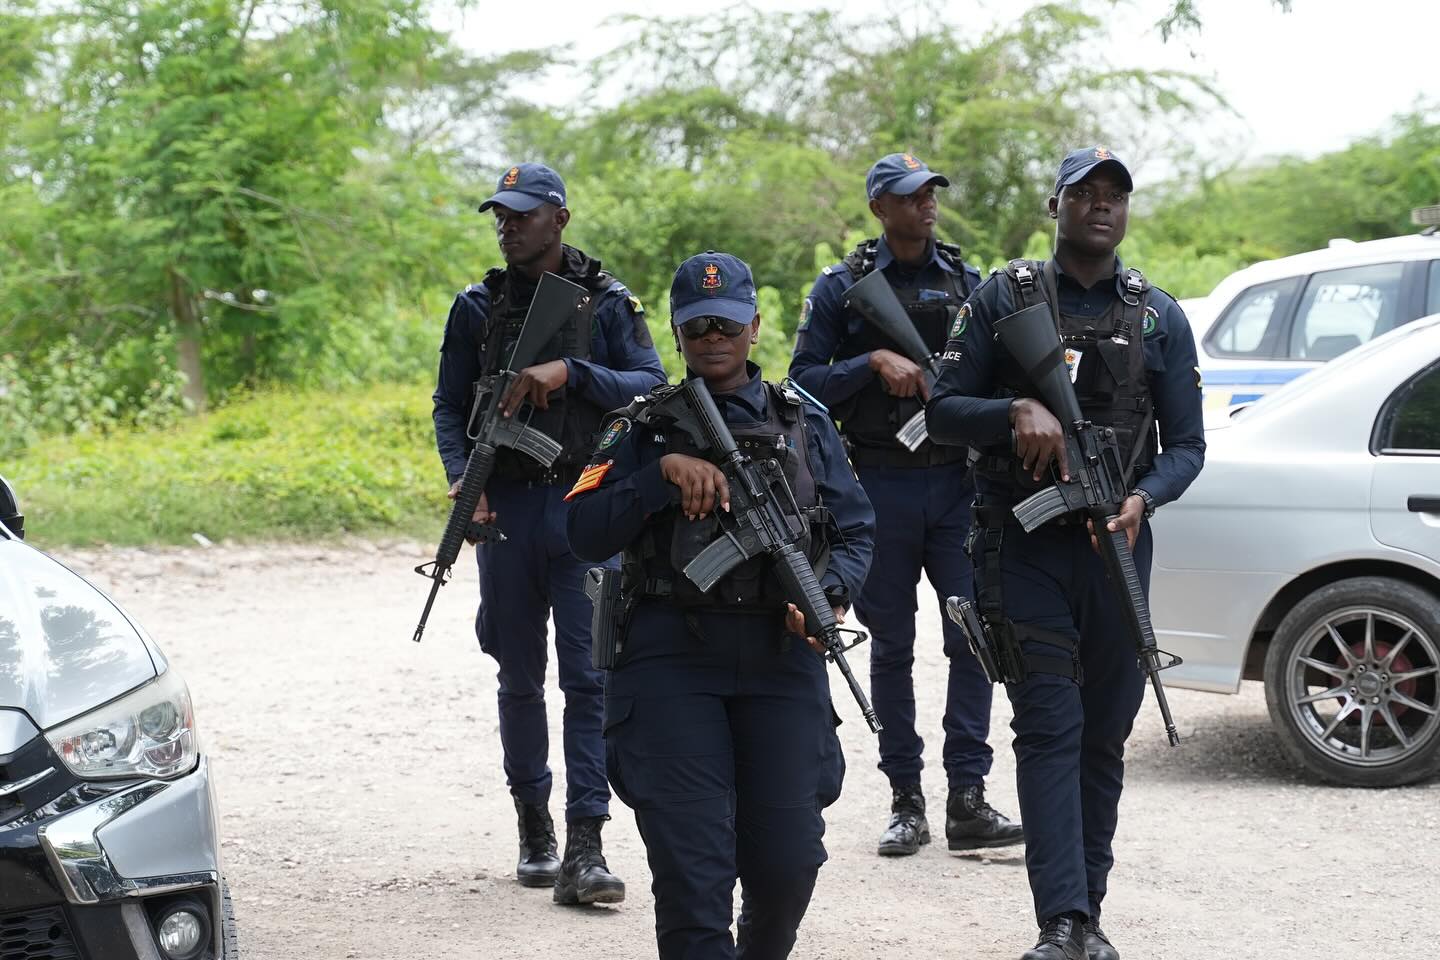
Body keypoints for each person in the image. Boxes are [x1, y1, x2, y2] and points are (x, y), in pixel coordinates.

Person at [926, 147, 1206, 960]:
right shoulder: (1000, 298)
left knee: (1103, 739)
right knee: (1050, 725)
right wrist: (1015, 408)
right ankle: (1063, 921)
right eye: (1084, 193)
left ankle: (1091, 909)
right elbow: (942, 411)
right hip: (1024, 544)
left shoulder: (1156, 315)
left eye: (1115, 193)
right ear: (1056, 206)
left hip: (1116, 546)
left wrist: (1142, 497)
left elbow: (1187, 446)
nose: (1101, 205)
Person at [566, 251, 875, 958]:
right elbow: (581, 530)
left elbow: (857, 529)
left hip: (780, 657)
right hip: (671, 659)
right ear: (676, 332)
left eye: (728, 323)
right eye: (698, 324)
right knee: (693, 871)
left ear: (756, 327)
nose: (713, 336)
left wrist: (827, 593)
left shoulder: (804, 422)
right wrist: (656, 477)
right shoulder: (637, 426)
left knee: (789, 861)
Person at [431, 161, 666, 905]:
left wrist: (571, 372)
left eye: (523, 214)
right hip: (508, 509)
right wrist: (461, 482)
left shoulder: (607, 304)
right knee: (518, 675)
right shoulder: (477, 308)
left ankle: (586, 843)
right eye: (500, 214)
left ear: (559, 219)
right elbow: (445, 407)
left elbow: (652, 384)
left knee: (588, 677)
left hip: (585, 503)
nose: (508, 226)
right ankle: (533, 823)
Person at [789, 152, 1023, 857]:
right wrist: (871, 364)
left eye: (930, 193)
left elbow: (998, 371)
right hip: (882, 485)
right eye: (909, 196)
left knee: (973, 640)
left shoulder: (966, 281)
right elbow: (799, 385)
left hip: (957, 484)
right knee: (890, 647)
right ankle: (906, 800)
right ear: (878, 210)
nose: (926, 204)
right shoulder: (842, 288)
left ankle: (968, 797)